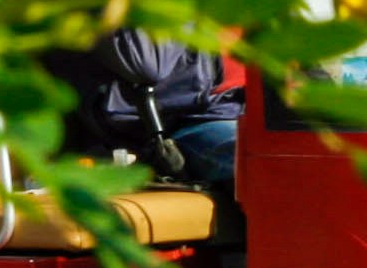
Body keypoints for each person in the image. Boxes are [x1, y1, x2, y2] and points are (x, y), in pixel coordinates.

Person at [48, 29, 241, 200]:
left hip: (242, 108)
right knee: (255, 153)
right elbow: (144, 62)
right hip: (177, 125)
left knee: (267, 142)